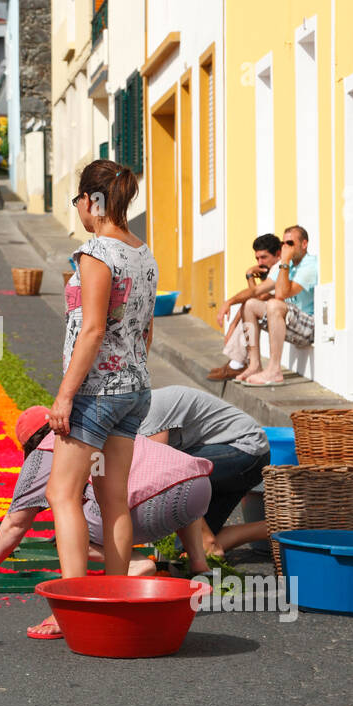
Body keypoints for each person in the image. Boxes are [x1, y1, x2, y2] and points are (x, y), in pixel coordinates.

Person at [31, 159, 158, 640]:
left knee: (60, 494)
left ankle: (70, 607)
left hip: (96, 392)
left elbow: (92, 330)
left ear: (91, 201)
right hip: (134, 387)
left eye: (79, 202)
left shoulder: (97, 252)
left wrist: (65, 397)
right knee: (113, 501)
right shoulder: (143, 252)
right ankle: (117, 595)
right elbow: (145, 329)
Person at [0, 405, 213, 577]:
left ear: (30, 444)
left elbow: (17, 521)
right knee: (175, 480)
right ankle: (199, 564)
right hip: (199, 485)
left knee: (69, 532)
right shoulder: (98, 426)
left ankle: (134, 564)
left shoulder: (47, 448)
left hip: (153, 504)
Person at [137, 386, 271, 561]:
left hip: (247, 451)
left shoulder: (149, 409)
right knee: (186, 549)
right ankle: (275, 529)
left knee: (170, 477)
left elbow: (158, 476)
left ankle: (208, 542)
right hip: (231, 464)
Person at [236, 225, 318, 386]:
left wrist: (285, 260)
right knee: (250, 305)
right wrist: (249, 276)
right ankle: (254, 365)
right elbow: (257, 292)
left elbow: (282, 294)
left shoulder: (310, 265)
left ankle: (274, 371)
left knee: (274, 303)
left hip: (308, 326)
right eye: (284, 243)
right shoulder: (285, 266)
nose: (286, 247)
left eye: (290, 243)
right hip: (290, 323)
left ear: (304, 244)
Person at [208, 233, 283, 381]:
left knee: (251, 306)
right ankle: (237, 363)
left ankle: (238, 364)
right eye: (257, 258)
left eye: (264, 257)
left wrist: (249, 276)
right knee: (249, 307)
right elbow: (253, 299)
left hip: (283, 314)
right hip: (273, 311)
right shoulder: (272, 270)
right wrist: (233, 324)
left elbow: (256, 297)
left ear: (278, 254)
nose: (260, 262)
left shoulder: (279, 269)